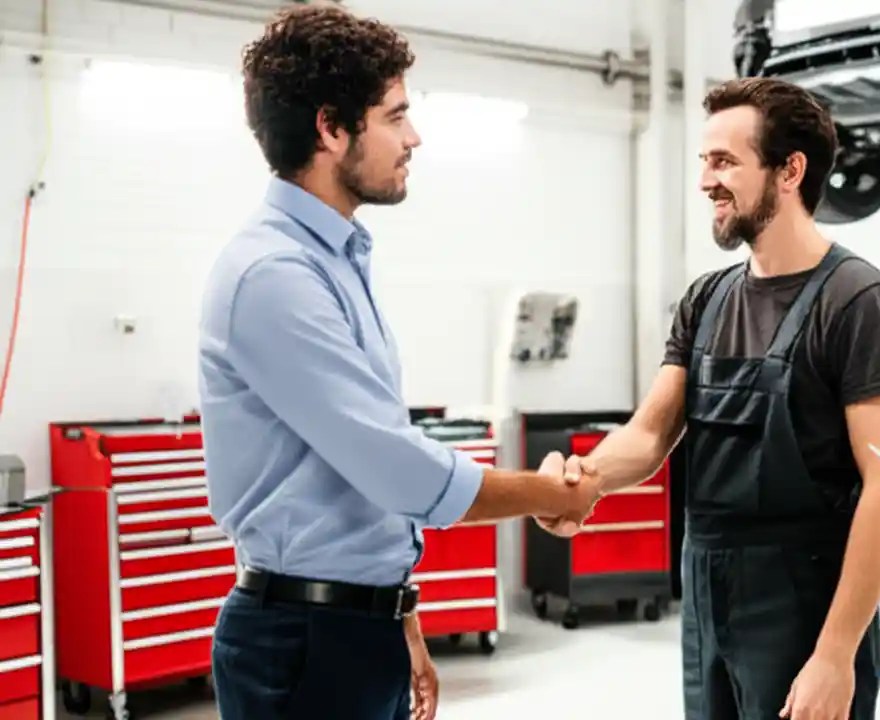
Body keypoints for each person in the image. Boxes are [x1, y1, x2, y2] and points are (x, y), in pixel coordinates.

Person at [197, 7, 601, 720]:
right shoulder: (274, 275)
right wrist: (547, 494)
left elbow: (354, 480)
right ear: (331, 127)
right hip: (302, 645)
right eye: (396, 115)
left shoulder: (337, 259)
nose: (414, 137)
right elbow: (394, 468)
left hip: (352, 627)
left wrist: (399, 616)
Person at [548, 77, 880, 720]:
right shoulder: (707, 299)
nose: (705, 182)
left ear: (789, 171)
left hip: (804, 600)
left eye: (724, 162)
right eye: (704, 162)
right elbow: (649, 434)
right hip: (708, 593)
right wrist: (583, 482)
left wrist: (834, 655)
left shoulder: (858, 302)